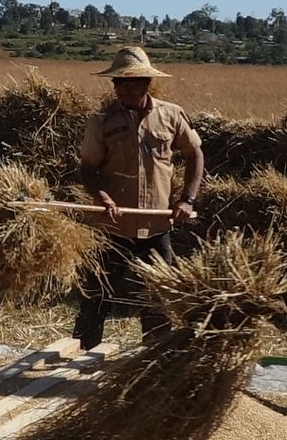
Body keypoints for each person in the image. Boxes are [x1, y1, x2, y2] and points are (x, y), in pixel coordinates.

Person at [72, 47, 204, 351]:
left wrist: (187, 199)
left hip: (156, 225)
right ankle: (81, 353)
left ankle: (156, 358)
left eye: (134, 83)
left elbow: (195, 153)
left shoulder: (171, 115)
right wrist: (101, 196)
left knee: (159, 295)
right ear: (114, 86)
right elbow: (88, 169)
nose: (127, 89)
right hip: (112, 227)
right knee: (96, 292)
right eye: (121, 83)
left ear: (147, 84)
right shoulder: (101, 122)